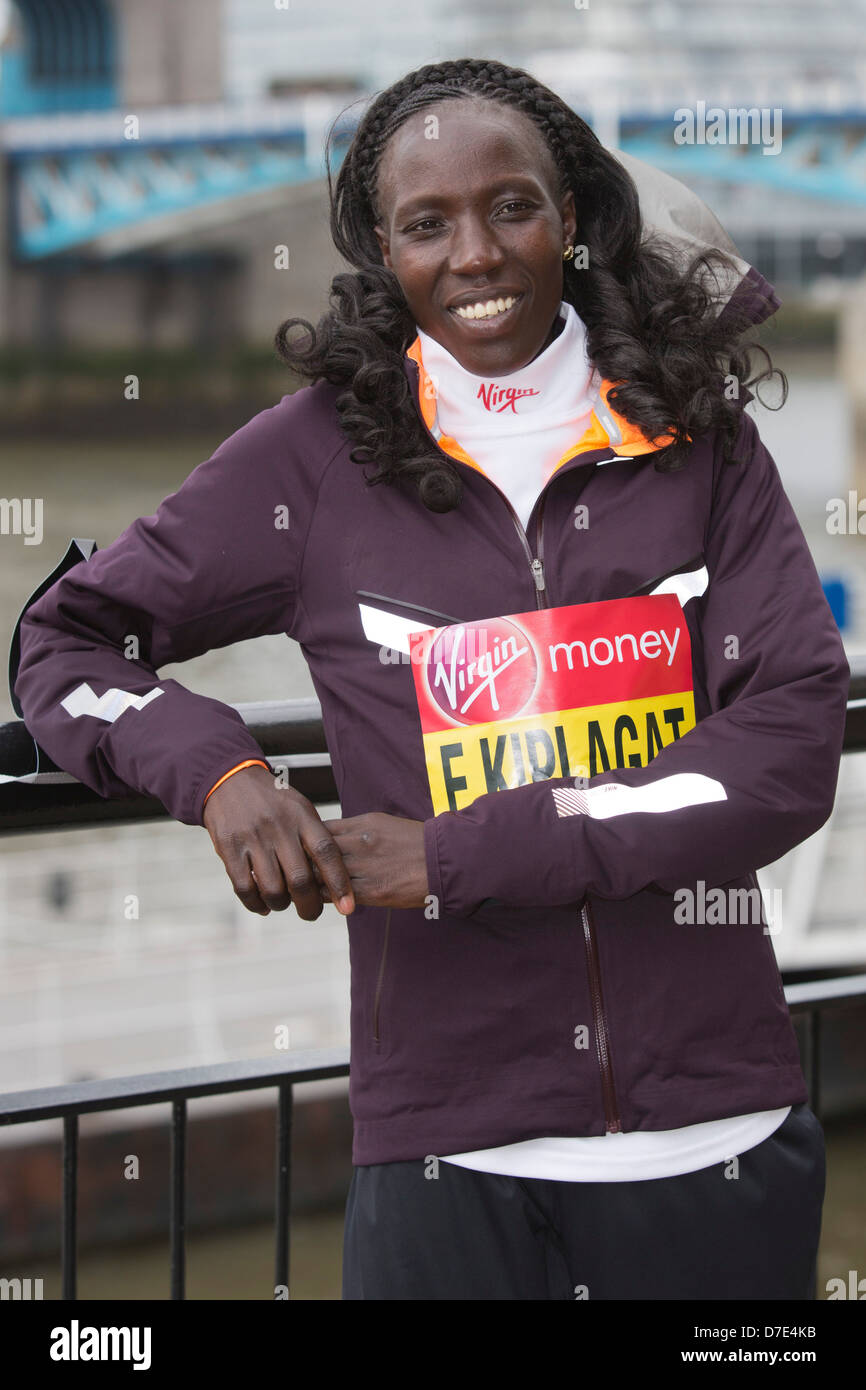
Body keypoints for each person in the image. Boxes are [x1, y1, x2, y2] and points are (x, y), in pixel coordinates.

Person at [13, 58, 849, 1301]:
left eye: (509, 206)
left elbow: (786, 742)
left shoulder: (695, 436)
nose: (474, 254)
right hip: (445, 1155)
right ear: (381, 251)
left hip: (711, 1137)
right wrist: (223, 774)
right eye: (425, 224)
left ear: (570, 218)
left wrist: (459, 857)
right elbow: (65, 641)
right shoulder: (313, 462)